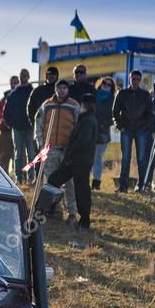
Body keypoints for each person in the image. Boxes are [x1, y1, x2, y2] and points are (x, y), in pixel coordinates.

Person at [47, 93, 99, 231]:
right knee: (54, 180)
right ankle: (49, 210)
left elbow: (83, 142)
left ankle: (84, 222)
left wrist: (69, 150)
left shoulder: (88, 120)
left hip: (80, 161)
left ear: (85, 105)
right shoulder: (86, 118)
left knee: (81, 191)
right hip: (75, 160)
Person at [34, 79, 81, 220]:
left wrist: (75, 147)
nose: (62, 90)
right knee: (51, 182)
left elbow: (79, 126)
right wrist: (41, 143)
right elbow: (39, 124)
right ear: (55, 89)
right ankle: (54, 211)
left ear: (68, 90)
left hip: (68, 150)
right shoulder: (47, 105)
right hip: (51, 149)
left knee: (69, 182)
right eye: (59, 88)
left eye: (64, 88)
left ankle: (72, 212)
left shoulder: (74, 105)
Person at [113, 70, 152, 192]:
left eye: (137, 79)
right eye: (133, 79)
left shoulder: (145, 95)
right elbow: (115, 112)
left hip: (141, 130)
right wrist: (120, 126)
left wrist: (145, 126)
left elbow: (150, 113)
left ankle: (142, 186)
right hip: (126, 129)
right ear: (129, 79)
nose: (135, 81)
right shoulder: (122, 93)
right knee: (126, 158)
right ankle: (123, 186)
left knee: (141, 158)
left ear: (140, 80)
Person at [3, 69, 33, 183]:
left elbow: (37, 108)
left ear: (29, 76)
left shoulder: (32, 91)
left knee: (31, 153)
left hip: (30, 128)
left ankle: (31, 178)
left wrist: (34, 122)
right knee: (18, 154)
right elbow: (6, 112)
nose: (23, 77)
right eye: (22, 75)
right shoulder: (13, 94)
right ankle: (19, 178)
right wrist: (10, 123)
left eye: (25, 75)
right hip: (17, 128)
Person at [91, 76, 115, 189]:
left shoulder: (113, 99)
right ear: (100, 83)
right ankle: (84, 182)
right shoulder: (93, 96)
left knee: (98, 157)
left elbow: (114, 116)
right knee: (88, 157)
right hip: (90, 130)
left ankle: (96, 183)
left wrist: (104, 123)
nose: (106, 85)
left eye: (109, 84)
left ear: (112, 88)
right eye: (104, 83)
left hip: (103, 132)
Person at [0, 75, 17, 174]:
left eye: (16, 82)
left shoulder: (23, 97)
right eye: (12, 83)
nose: (14, 85)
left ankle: (21, 180)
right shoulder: (4, 99)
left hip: (19, 130)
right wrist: (2, 124)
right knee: (3, 157)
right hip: (5, 131)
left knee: (20, 157)